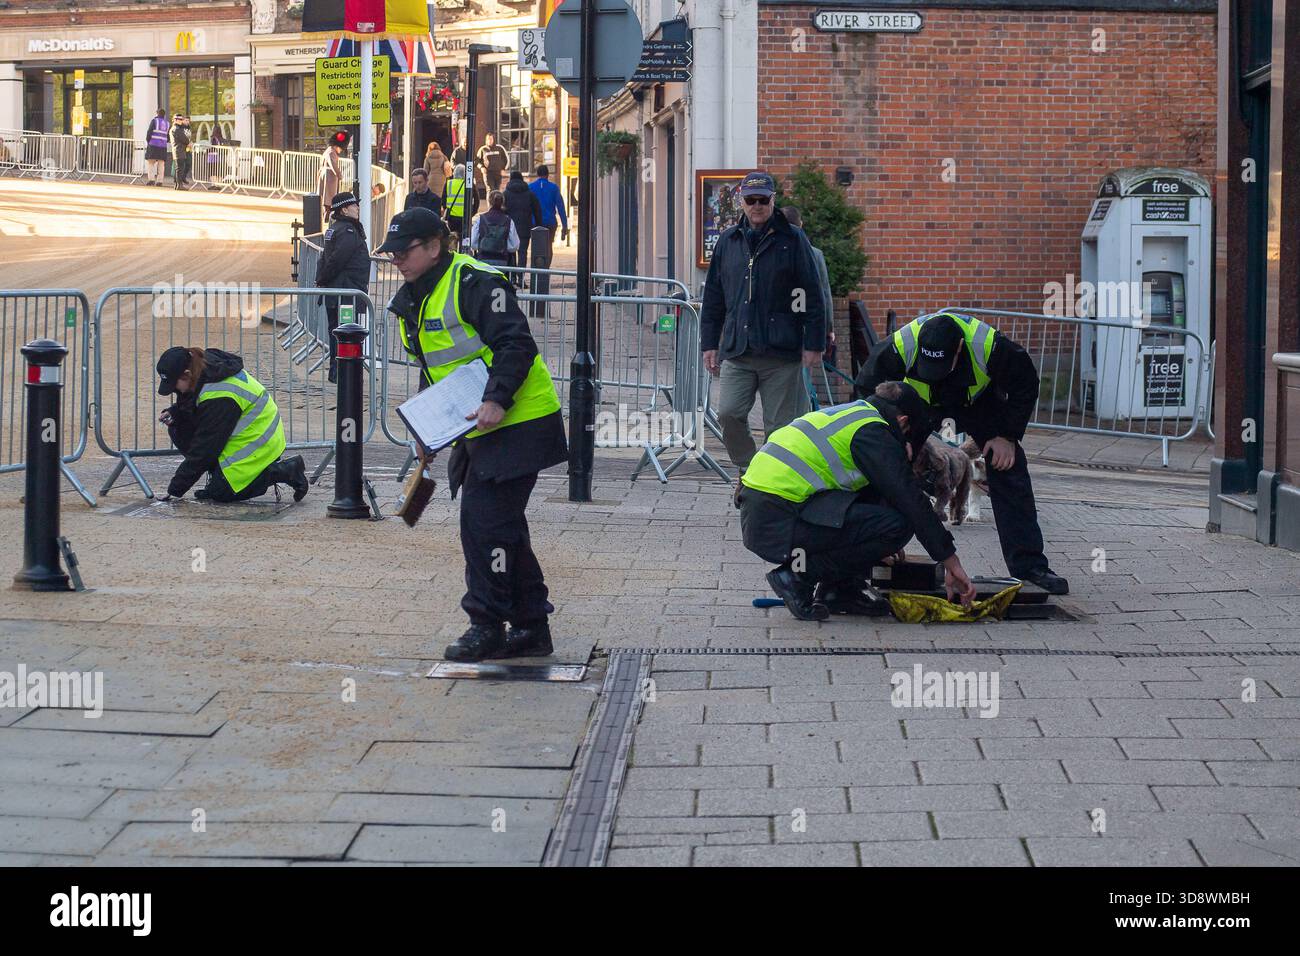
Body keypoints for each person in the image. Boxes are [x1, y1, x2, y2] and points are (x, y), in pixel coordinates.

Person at [378, 208, 568, 661]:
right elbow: (437, 368)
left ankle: (486, 625)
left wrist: (497, 398)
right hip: (475, 424)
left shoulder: (476, 282)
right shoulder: (418, 294)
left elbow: (516, 344)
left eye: (404, 252)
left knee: (483, 527)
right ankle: (530, 625)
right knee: (503, 529)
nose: (398, 262)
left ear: (435, 246)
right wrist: (429, 427)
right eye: (392, 255)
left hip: (517, 421)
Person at [855, 311, 1069, 594]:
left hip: (978, 402)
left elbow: (1025, 383)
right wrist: (891, 437)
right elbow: (865, 392)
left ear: (958, 350)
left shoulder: (991, 346)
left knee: (1008, 465)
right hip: (920, 403)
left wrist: (1007, 435)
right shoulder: (898, 347)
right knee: (883, 466)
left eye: (943, 364)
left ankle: (1031, 566)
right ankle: (871, 553)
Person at [738, 381, 977, 620]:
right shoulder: (872, 433)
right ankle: (797, 576)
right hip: (776, 522)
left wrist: (871, 542)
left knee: (881, 508)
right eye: (907, 436)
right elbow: (911, 500)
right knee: (898, 524)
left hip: (766, 513)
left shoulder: (853, 415)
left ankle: (839, 590)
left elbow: (876, 492)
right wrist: (950, 560)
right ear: (902, 422)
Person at [701, 170, 827, 476]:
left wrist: (814, 343)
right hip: (738, 349)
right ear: (741, 202)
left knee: (781, 428)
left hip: (781, 352)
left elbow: (813, 292)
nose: (757, 206)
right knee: (729, 414)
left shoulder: (793, 239)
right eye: (750, 199)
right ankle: (750, 468)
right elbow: (715, 296)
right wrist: (709, 344)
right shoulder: (729, 241)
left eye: (763, 200)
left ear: (773, 200)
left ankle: (773, 484)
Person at [154, 346, 309, 503]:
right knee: (178, 427)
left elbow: (205, 448)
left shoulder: (220, 397)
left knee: (221, 493)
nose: (174, 390)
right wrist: (176, 412)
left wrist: (175, 489)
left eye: (174, 385)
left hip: (260, 441)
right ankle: (219, 476)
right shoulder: (204, 366)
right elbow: (195, 398)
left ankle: (284, 470)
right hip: (244, 433)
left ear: (187, 374)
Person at [314, 192, 371, 384]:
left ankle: (339, 371)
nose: (358, 208)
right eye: (354, 205)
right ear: (345, 209)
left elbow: (325, 258)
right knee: (344, 332)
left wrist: (321, 279)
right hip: (345, 294)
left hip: (340, 292)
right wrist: (323, 279)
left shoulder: (336, 228)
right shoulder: (346, 231)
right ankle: (342, 373)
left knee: (338, 331)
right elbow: (337, 260)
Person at [781, 205, 834, 336]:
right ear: (801, 225)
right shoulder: (815, 254)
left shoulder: (769, 253)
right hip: (807, 324)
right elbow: (824, 294)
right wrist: (828, 328)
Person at [503, 170, 541, 277]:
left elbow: (502, 210)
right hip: (525, 228)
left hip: (509, 229)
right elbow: (537, 211)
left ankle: (512, 277)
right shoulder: (530, 194)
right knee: (523, 252)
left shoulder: (505, 194)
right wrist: (539, 226)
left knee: (511, 252)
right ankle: (521, 277)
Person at [471, 190, 519, 268]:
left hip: (483, 260)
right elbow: (514, 246)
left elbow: (473, 243)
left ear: (489, 202)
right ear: (502, 202)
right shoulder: (509, 221)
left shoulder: (480, 219)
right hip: (502, 261)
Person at [528, 164, 568, 243]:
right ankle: (548, 254)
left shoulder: (530, 187)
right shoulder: (554, 187)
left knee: (536, 246)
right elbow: (560, 207)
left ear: (537, 174)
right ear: (548, 175)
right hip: (550, 222)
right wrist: (564, 225)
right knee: (548, 245)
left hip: (535, 222)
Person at [319, 131, 347, 225]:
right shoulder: (332, 152)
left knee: (327, 201)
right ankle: (327, 221)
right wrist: (340, 175)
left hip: (327, 177)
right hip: (329, 179)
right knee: (329, 202)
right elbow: (333, 165)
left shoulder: (329, 150)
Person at [443, 162, 478, 239]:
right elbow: (476, 200)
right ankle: (463, 249)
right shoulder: (469, 184)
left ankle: (453, 250)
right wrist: (472, 213)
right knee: (464, 238)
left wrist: (447, 209)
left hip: (452, 218)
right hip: (465, 217)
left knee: (453, 239)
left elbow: (443, 200)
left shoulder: (449, 183)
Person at [144, 109, 169, 186]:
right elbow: (168, 136)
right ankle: (160, 181)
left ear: (157, 113)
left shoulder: (154, 121)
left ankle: (151, 179)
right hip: (163, 146)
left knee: (151, 162)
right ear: (164, 114)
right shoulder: (167, 123)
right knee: (161, 164)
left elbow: (149, 132)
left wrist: (148, 141)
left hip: (153, 145)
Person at [169, 114, 190, 189]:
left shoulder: (175, 128)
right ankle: (179, 185)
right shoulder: (176, 129)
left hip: (177, 150)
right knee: (179, 169)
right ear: (175, 120)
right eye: (180, 119)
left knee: (178, 168)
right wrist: (188, 141)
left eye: (182, 119)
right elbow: (185, 139)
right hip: (179, 150)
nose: (181, 121)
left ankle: (177, 185)